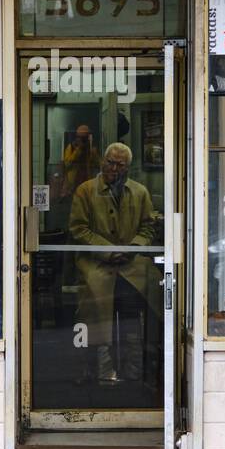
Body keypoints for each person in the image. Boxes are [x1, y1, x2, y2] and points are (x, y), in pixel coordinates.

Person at [68, 142, 158, 384]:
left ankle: (134, 373)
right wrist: (108, 252)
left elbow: (149, 227)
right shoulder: (85, 191)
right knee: (98, 323)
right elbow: (78, 229)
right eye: (110, 162)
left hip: (131, 269)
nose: (114, 168)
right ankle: (102, 375)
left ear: (128, 167)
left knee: (132, 324)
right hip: (97, 268)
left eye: (120, 164)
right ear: (102, 162)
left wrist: (134, 247)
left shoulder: (140, 192)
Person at [58, 124, 101, 199]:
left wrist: (94, 154)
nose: (83, 140)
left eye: (84, 138)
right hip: (73, 185)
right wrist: (78, 150)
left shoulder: (90, 149)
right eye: (81, 138)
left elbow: (99, 165)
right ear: (77, 137)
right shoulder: (71, 147)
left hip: (87, 183)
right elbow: (67, 164)